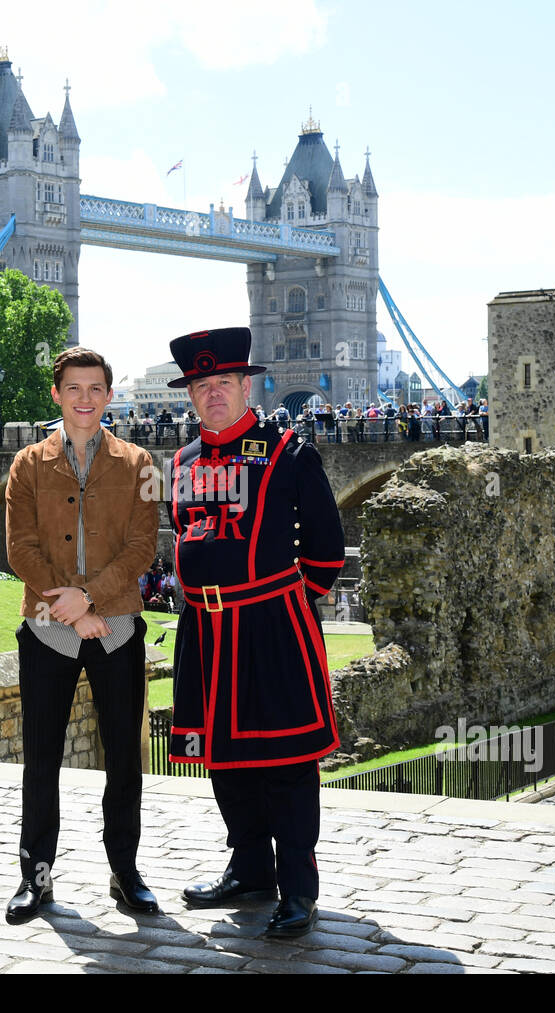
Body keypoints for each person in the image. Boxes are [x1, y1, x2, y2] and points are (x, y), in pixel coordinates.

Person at [164, 326, 344, 938]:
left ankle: (297, 888)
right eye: (201, 386)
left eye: (223, 382)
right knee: (223, 756)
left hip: (272, 626)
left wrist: (280, 605)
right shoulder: (182, 462)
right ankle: (249, 871)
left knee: (287, 760)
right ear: (191, 395)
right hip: (204, 628)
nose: (212, 394)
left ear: (246, 384)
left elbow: (325, 551)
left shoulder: (290, 452)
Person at [3, 346, 160, 924]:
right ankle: (35, 877)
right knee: (41, 758)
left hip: (115, 626)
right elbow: (20, 548)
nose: (85, 398)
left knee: (124, 759)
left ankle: (126, 872)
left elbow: (142, 546)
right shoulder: (27, 464)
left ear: (110, 395)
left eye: (96, 388)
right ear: (56, 394)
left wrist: (89, 598)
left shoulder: (139, 463)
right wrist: (72, 609)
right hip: (49, 628)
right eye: (74, 388)